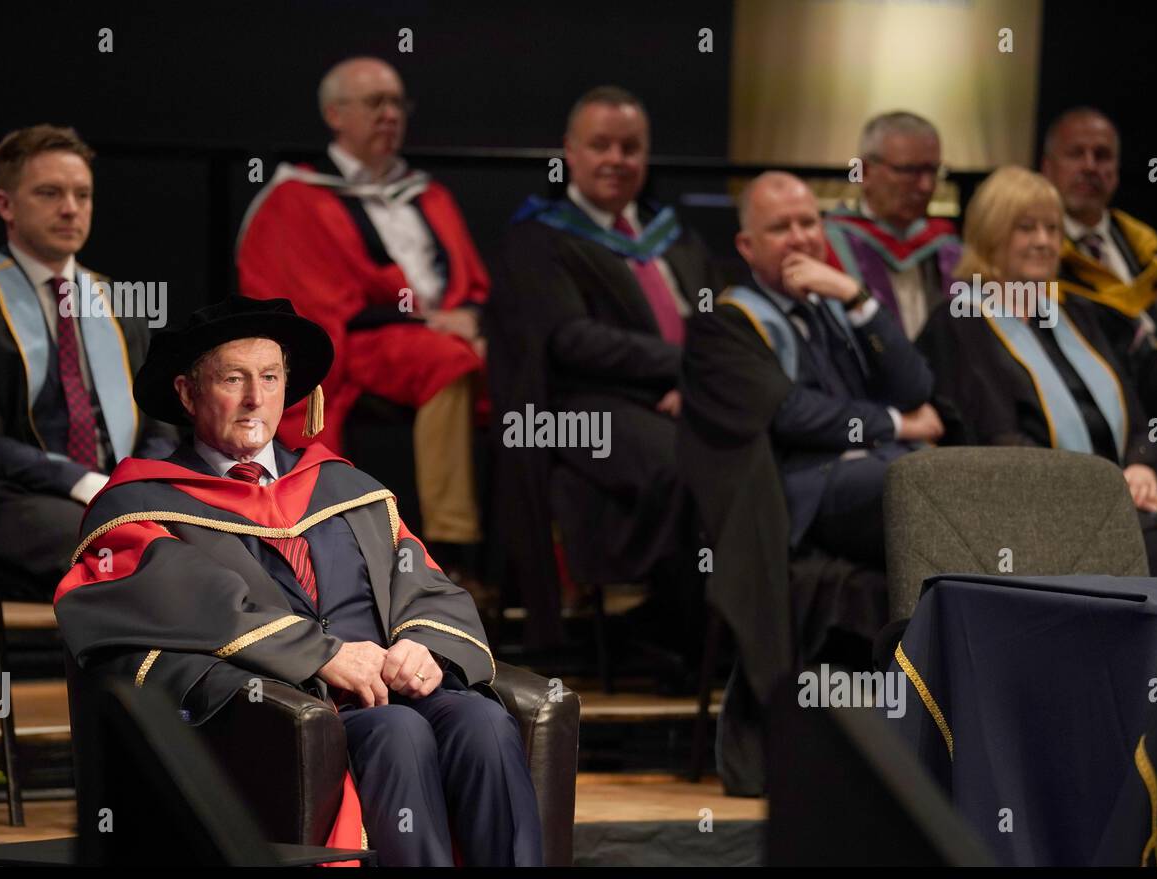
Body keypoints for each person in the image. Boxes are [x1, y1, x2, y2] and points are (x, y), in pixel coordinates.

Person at [53, 295, 543, 866]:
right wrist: (321, 656)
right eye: (233, 378)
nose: (255, 398)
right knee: (398, 732)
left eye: (269, 377)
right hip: (282, 708)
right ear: (188, 393)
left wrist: (421, 646)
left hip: (385, 685)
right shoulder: (145, 503)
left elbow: (422, 580)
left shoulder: (342, 487)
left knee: (484, 720)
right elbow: (185, 600)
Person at [490, 85, 722, 647]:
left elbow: (718, 317)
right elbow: (571, 340)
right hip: (579, 405)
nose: (616, 160)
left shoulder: (674, 236)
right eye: (601, 146)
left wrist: (701, 377)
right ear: (571, 151)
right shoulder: (540, 235)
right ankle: (672, 624)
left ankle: (727, 629)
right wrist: (680, 368)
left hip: (683, 394)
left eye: (630, 147)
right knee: (683, 463)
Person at [0, 125, 177, 600]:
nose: (71, 208)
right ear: (5, 205)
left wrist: (142, 481)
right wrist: (83, 482)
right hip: (6, 500)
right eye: (50, 193)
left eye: (82, 194)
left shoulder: (116, 301)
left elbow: (158, 425)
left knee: (216, 533)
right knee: (119, 547)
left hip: (119, 495)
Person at [238, 57, 487, 559]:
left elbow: (472, 282)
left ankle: (554, 563)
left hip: (442, 332)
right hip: (360, 341)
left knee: (537, 367)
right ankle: (454, 545)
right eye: (376, 103)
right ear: (335, 114)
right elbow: (311, 309)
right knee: (449, 361)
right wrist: (431, 324)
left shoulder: (429, 194)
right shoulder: (296, 199)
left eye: (397, 103)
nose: (390, 114)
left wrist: (475, 320)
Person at [917, 166, 1157, 576]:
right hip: (1032, 514)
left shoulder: (1077, 316)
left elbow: (1140, 422)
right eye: (1026, 228)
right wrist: (1109, 488)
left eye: (1052, 228)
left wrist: (1141, 469)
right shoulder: (959, 323)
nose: (1044, 241)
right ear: (990, 234)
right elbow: (997, 443)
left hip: (1115, 501)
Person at [716, 172, 941, 571]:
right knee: (923, 483)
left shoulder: (835, 303)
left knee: (969, 475)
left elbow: (915, 388)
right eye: (781, 228)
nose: (800, 237)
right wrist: (896, 425)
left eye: (808, 222)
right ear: (747, 247)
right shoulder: (733, 320)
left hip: (873, 464)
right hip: (809, 485)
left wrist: (857, 298)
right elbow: (790, 413)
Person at [1041, 107, 1157, 501]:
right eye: (1075, 154)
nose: (1090, 166)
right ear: (1047, 167)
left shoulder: (1144, 247)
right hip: (1106, 404)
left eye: (1102, 156)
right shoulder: (1040, 255)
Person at [823, 112, 960, 340]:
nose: (926, 186)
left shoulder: (946, 246)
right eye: (909, 171)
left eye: (933, 171)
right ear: (865, 171)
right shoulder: (830, 244)